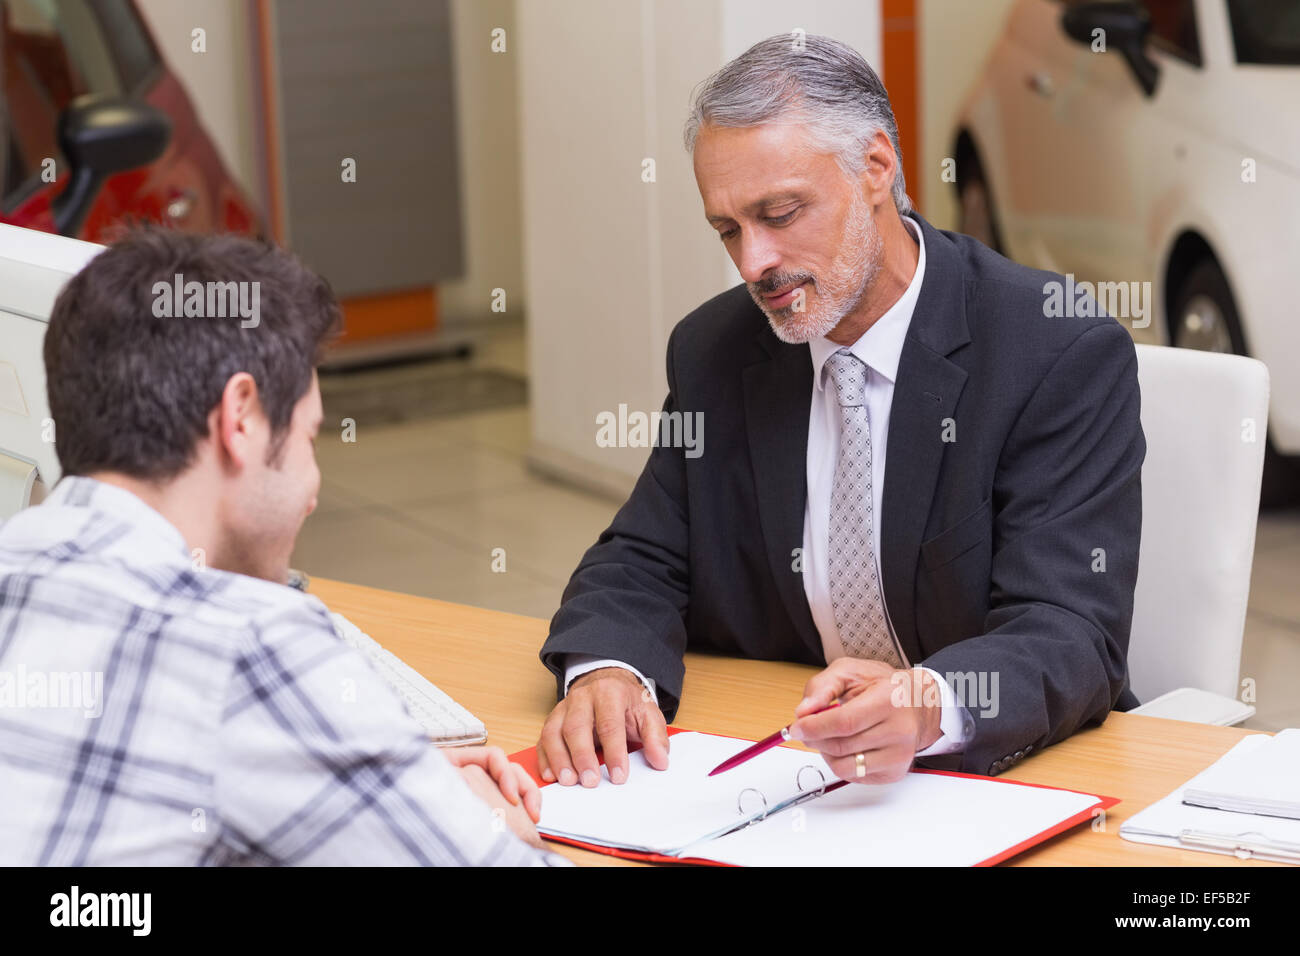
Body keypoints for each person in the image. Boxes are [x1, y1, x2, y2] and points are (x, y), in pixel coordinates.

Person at [537, 33, 1144, 788]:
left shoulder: (1052, 352)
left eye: (781, 212)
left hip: (998, 777)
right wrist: (607, 670)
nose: (753, 262)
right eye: (727, 229)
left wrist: (928, 703)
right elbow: (644, 554)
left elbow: (1068, 631)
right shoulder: (715, 351)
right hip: (791, 769)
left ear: (877, 168)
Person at [0, 228, 564, 866]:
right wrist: (483, 819)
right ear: (240, 418)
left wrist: (366, 782)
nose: (312, 491)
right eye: (310, 441)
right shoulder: (248, 645)